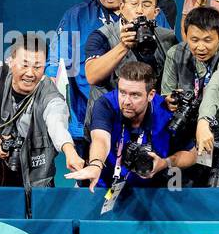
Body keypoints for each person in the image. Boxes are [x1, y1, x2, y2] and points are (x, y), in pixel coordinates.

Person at [0, 33, 84, 187]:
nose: (30, 73)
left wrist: (69, 150)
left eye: (37, 66)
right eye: (24, 65)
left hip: (33, 173)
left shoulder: (50, 94)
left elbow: (56, 121)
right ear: (10, 61)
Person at [66, 60, 198, 191]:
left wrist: (165, 163)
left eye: (135, 95)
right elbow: (100, 138)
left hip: (151, 193)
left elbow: (191, 155)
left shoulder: (166, 112)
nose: (126, 101)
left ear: (151, 95)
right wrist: (96, 164)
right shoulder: (106, 104)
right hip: (104, 187)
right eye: (122, 92)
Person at [47, 0, 134, 146]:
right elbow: (56, 63)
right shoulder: (76, 15)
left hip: (135, 120)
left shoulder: (146, 13)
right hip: (86, 119)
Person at [159, 6, 219, 182]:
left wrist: (203, 122)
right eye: (194, 40)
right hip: (187, 142)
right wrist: (168, 101)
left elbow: (216, 87)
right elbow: (165, 95)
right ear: (186, 36)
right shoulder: (175, 53)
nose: (200, 47)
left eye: (208, 40)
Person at [82, 0, 178, 130]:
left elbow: (174, 81)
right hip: (107, 125)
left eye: (146, 5)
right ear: (121, 7)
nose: (139, 10)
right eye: (134, 3)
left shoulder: (167, 38)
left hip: (149, 127)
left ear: (156, 12)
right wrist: (123, 46)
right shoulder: (102, 36)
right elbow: (92, 76)